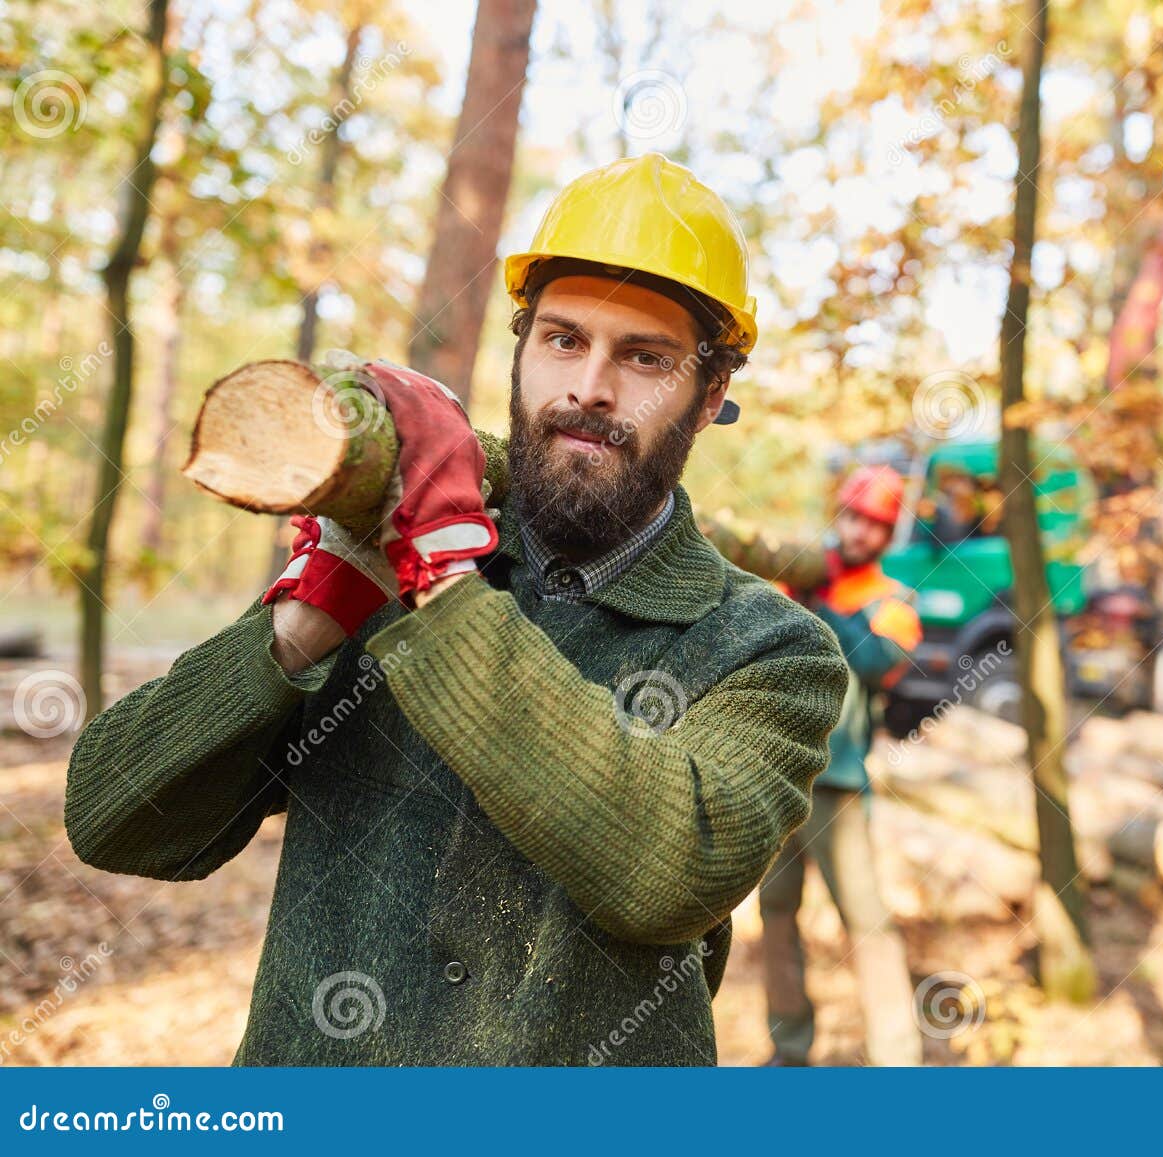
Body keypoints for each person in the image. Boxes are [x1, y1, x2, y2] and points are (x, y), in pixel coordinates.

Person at [64, 153, 849, 1067]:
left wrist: (439, 575)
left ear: (710, 395)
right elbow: (115, 817)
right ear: (521, 350)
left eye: (643, 357)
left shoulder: (773, 647)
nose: (590, 388)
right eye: (563, 339)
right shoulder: (389, 546)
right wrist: (309, 620)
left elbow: (668, 869)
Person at [758, 464, 925, 1066]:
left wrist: (823, 602)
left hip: (839, 787)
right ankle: (790, 1044)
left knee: (868, 924)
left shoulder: (893, 603)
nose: (858, 533)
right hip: (777, 777)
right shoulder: (794, 578)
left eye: (874, 525)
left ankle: (897, 1058)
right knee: (775, 914)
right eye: (852, 517)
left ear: (887, 537)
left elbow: (879, 661)